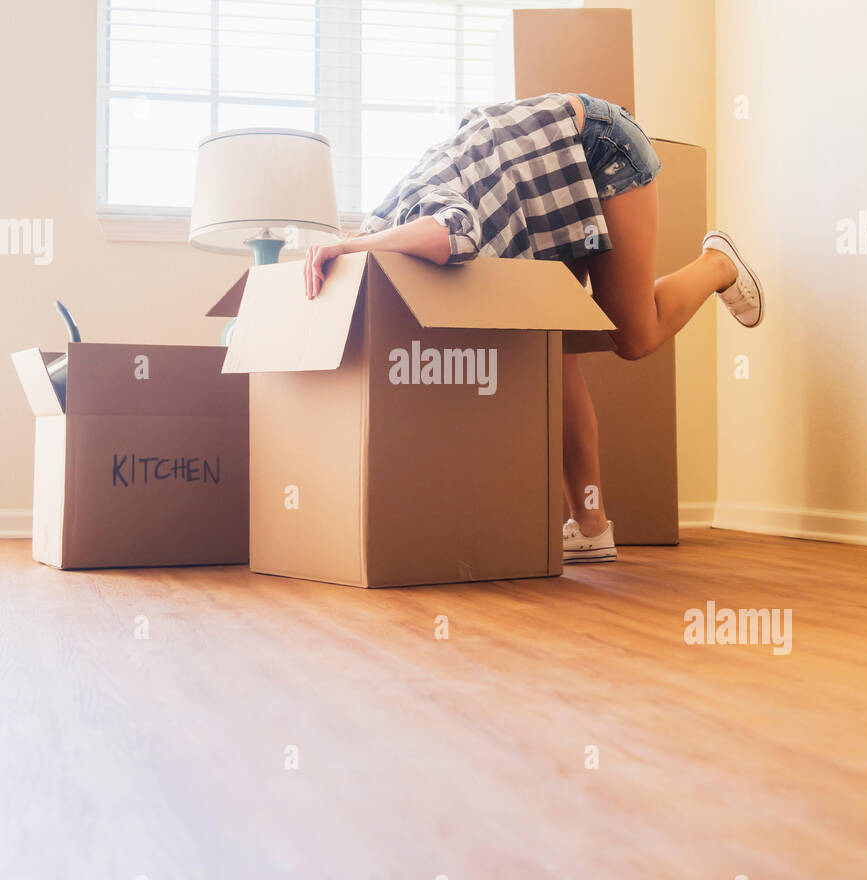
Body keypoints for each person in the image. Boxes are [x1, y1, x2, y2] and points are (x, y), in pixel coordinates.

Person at [304, 93, 763, 564]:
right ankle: (591, 526)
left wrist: (349, 249)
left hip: (598, 147)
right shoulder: (386, 232)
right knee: (552, 346)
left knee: (633, 336)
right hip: (542, 186)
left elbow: (455, 234)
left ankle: (717, 264)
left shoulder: (409, 214)